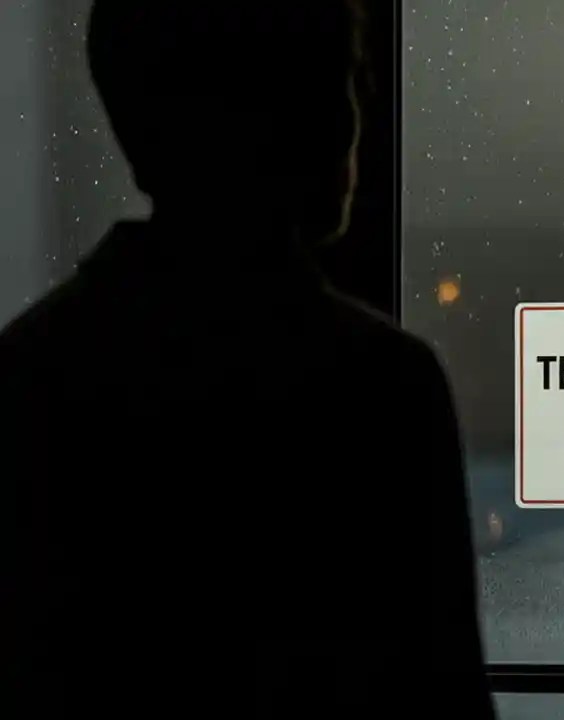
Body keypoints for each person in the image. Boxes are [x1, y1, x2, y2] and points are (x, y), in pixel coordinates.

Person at [0, 1, 495, 716]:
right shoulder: (381, 391)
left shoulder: (30, 377)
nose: (361, 113)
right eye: (349, 79)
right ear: (316, 113)